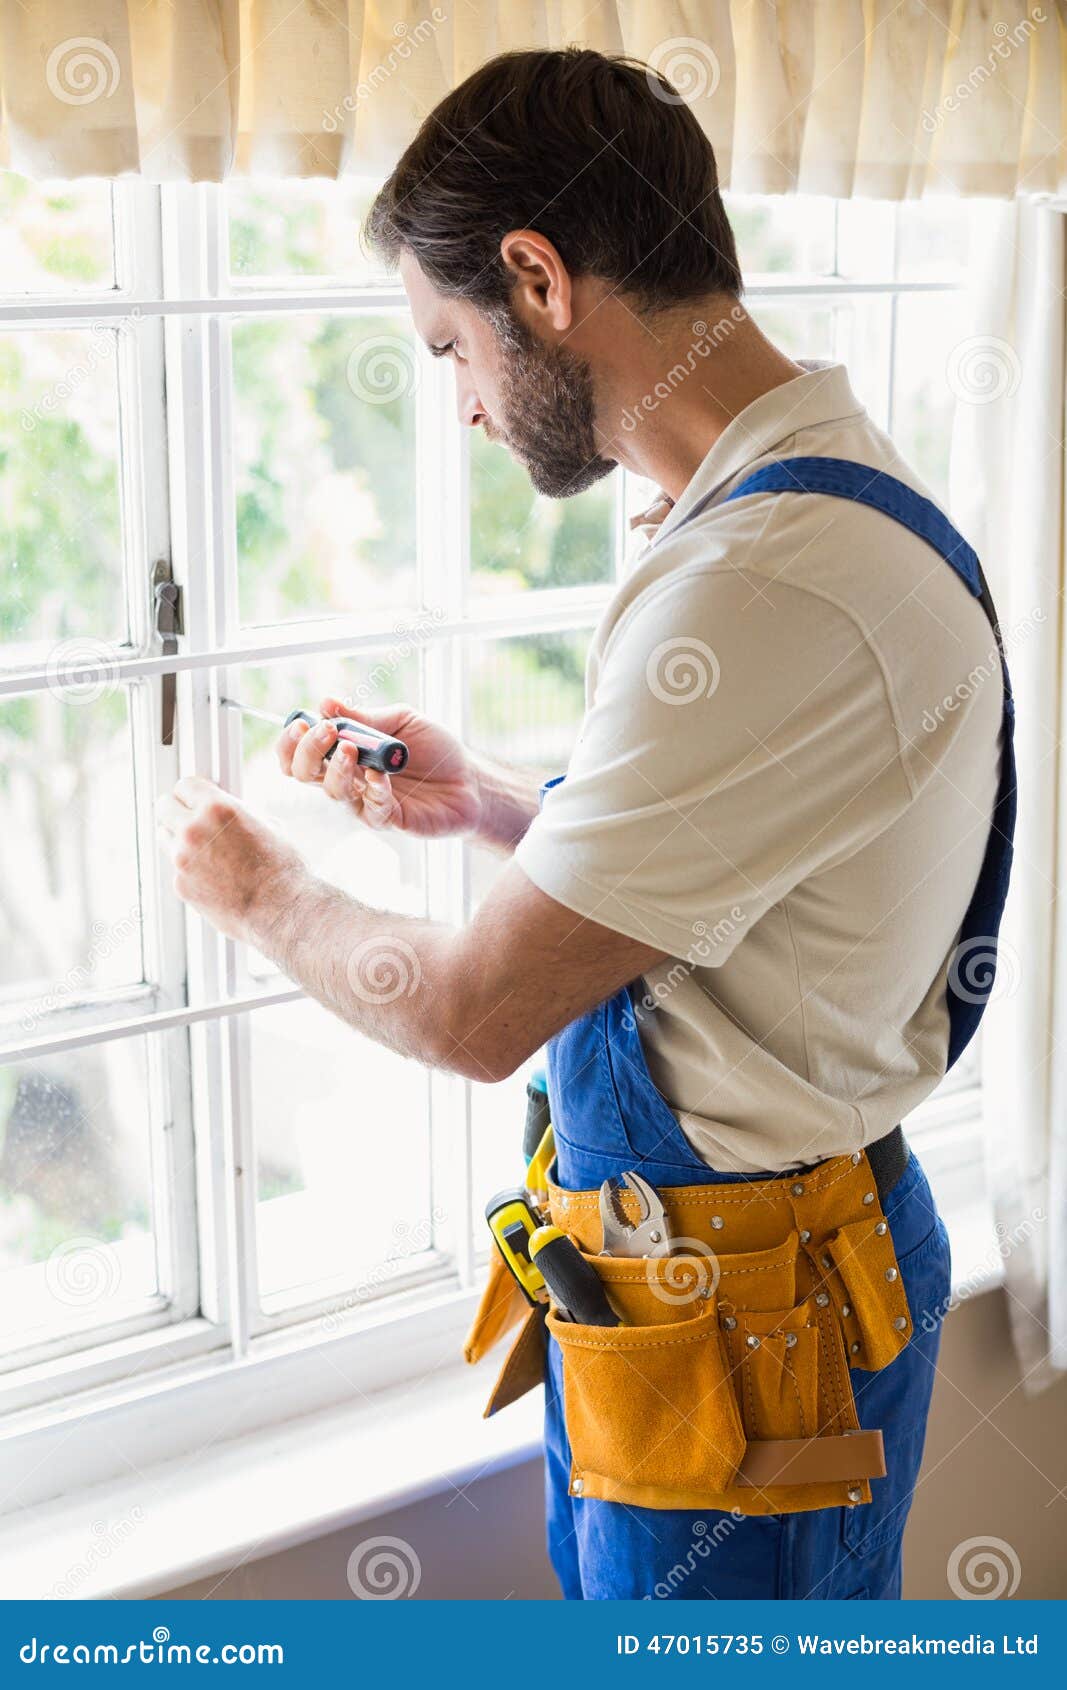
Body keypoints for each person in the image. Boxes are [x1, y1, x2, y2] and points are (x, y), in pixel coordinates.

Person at [158, 47, 1013, 1600]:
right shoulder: (800, 509)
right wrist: (489, 804)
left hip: (752, 1327)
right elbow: (745, 865)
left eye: (448, 349)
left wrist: (261, 891)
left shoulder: (762, 585)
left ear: (536, 277)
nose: (468, 410)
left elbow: (482, 1012)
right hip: (709, 1298)